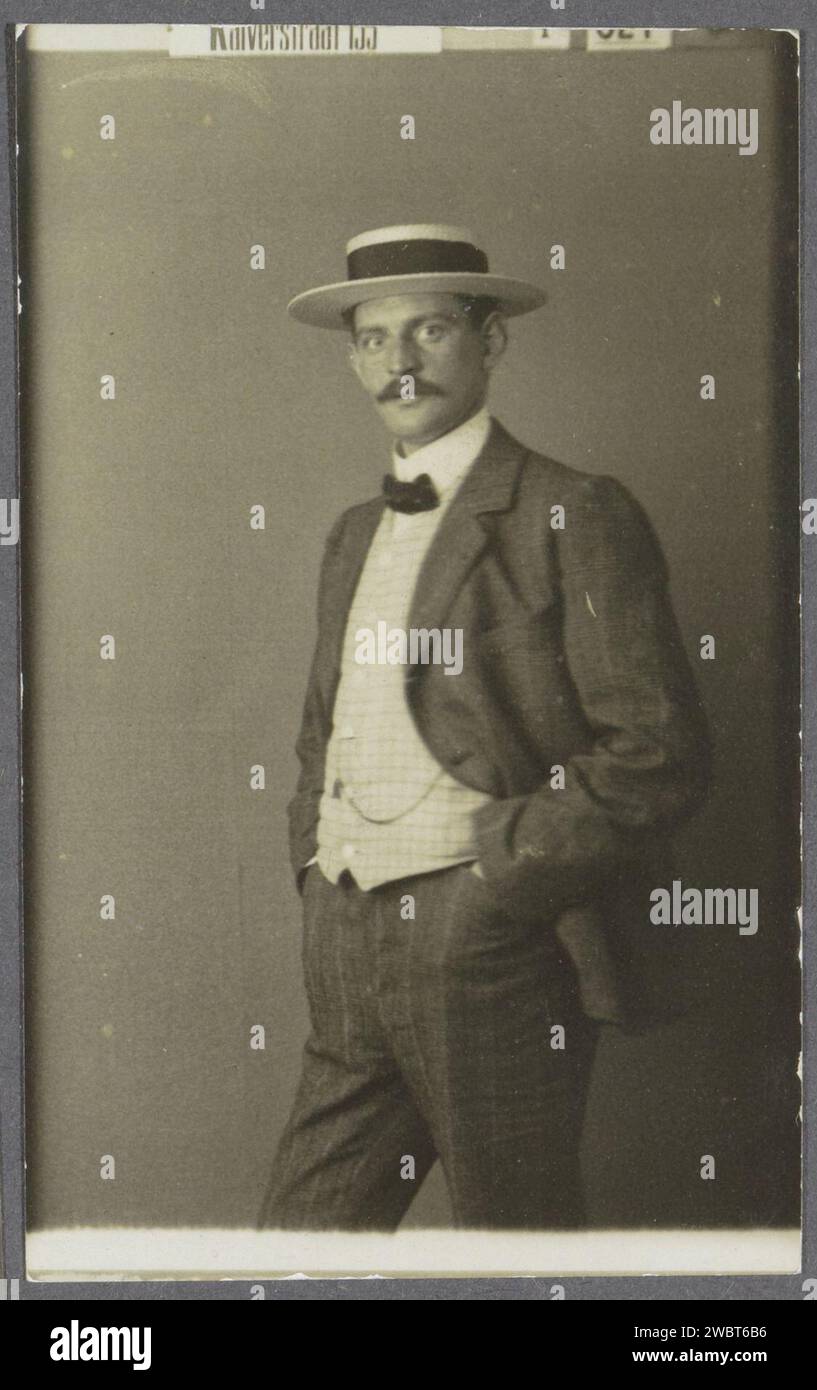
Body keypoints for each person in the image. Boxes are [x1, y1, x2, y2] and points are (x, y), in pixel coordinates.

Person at [257, 224, 711, 1231]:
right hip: (345, 932)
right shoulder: (350, 534)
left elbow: (656, 749)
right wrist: (314, 862)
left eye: (428, 330)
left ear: (490, 340)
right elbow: (323, 730)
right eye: (374, 338)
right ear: (352, 355)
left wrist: (498, 878)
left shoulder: (573, 510)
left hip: (488, 940)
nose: (399, 361)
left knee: (514, 1246)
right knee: (300, 1247)